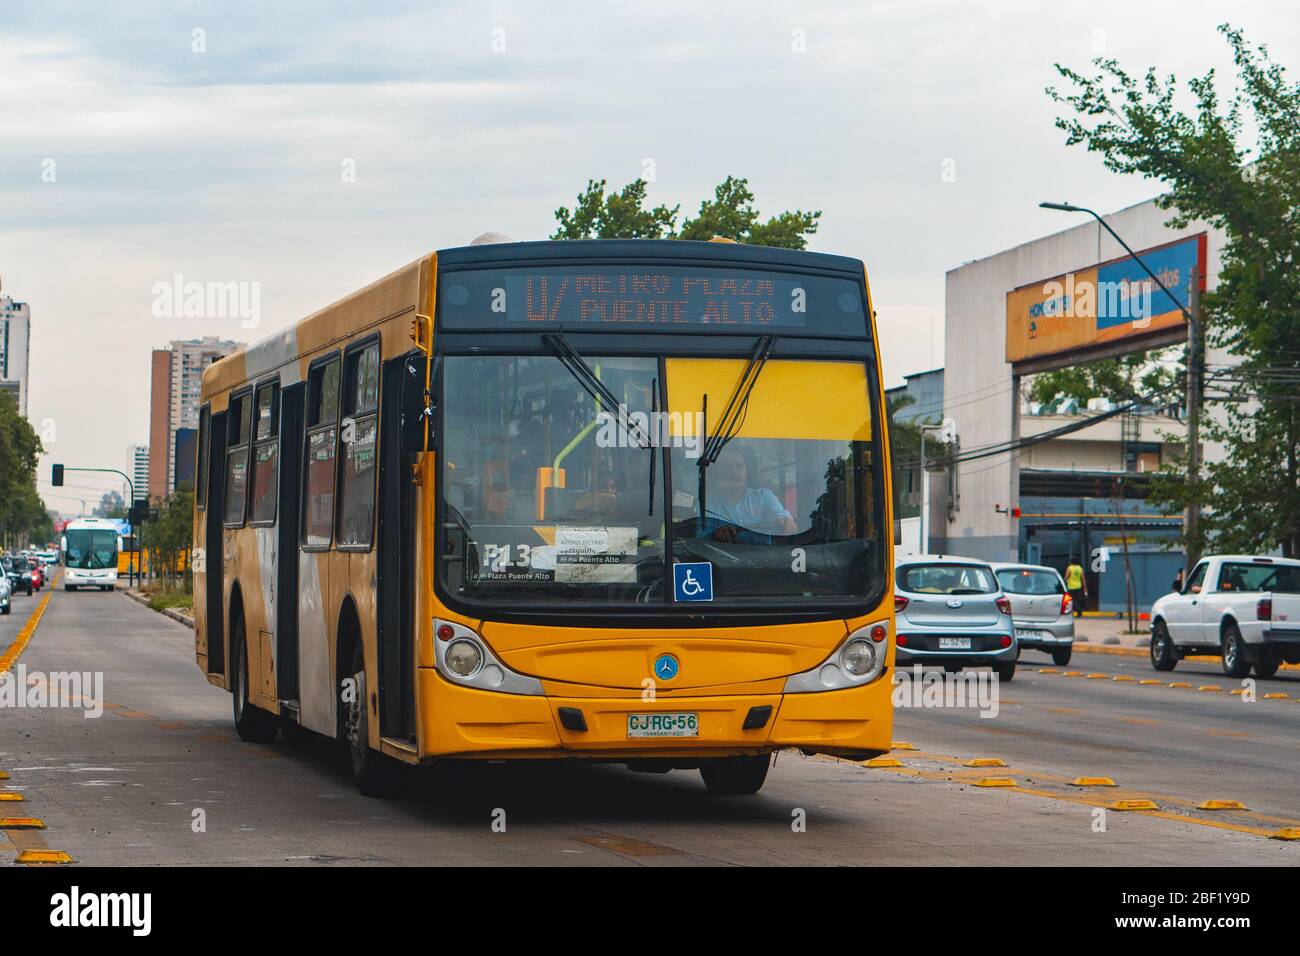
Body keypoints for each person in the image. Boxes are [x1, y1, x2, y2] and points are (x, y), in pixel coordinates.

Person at [700, 446, 796, 542]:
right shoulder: (707, 503)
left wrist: (786, 522)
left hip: (762, 555)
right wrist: (716, 535)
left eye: (739, 466)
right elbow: (701, 539)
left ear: (748, 471)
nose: (735, 472)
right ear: (718, 473)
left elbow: (784, 518)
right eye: (727, 468)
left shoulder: (764, 497)